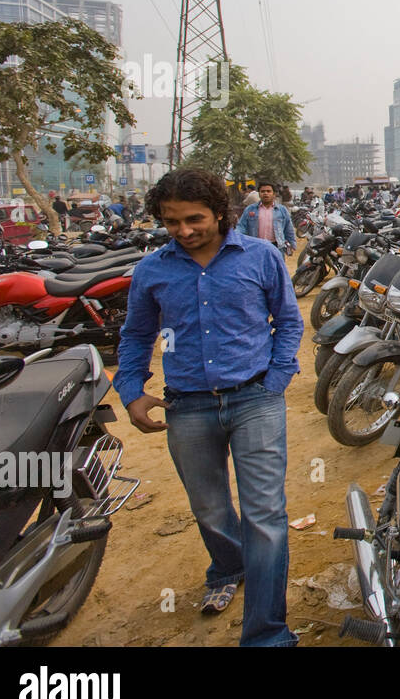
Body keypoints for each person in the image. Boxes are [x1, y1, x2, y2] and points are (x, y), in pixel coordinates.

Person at [114, 168, 303, 647]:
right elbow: (136, 334)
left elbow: (288, 321)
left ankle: (267, 633)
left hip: (255, 399)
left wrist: (275, 381)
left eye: (193, 219)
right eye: (171, 221)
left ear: (220, 213)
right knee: (210, 508)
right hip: (187, 407)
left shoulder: (261, 258)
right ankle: (228, 564)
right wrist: (131, 390)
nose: (183, 230)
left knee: (265, 514)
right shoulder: (152, 269)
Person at [237, 180, 297, 255]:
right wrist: (236, 239)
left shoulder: (282, 210)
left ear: (274, 194)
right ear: (259, 194)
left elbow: (288, 228)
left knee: (275, 267)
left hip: (276, 247)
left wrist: (292, 243)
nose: (265, 193)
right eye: (263, 191)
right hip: (255, 247)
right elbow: (241, 227)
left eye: (268, 191)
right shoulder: (250, 209)